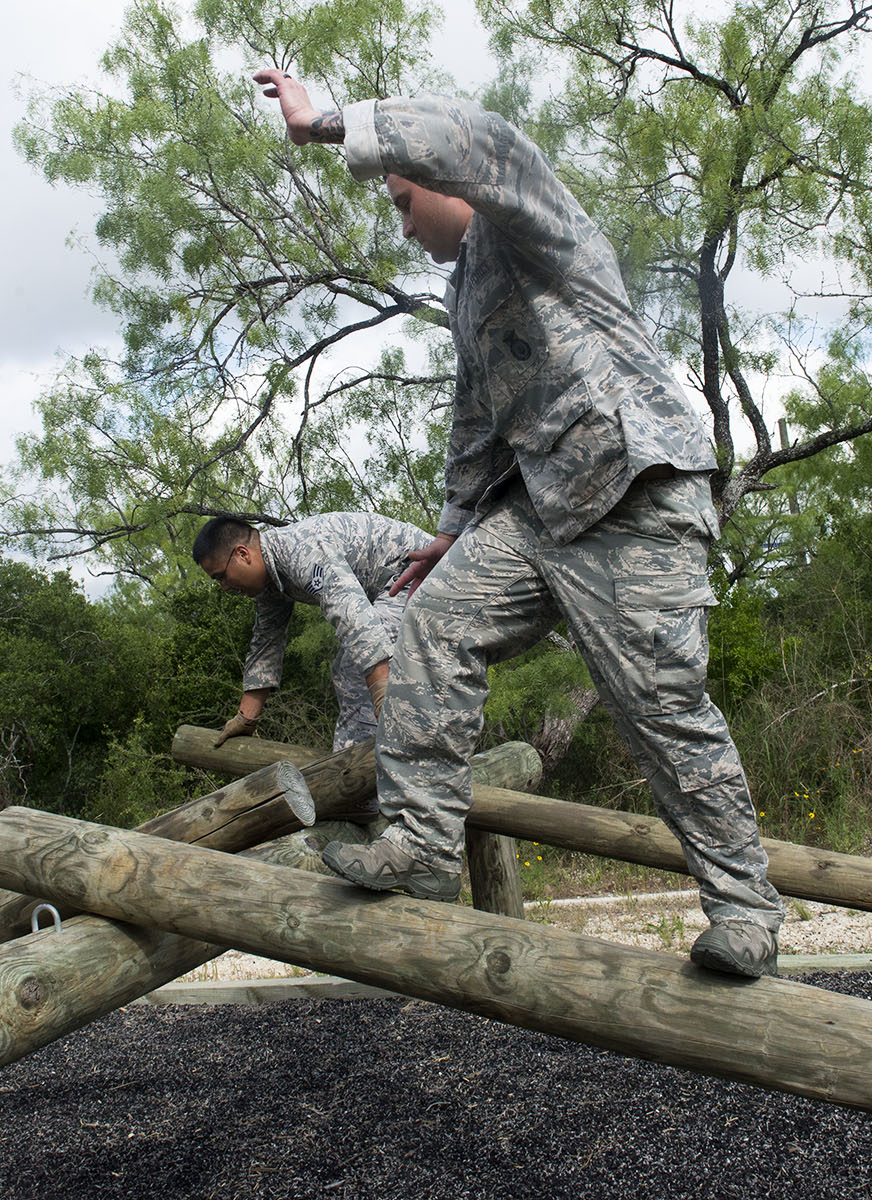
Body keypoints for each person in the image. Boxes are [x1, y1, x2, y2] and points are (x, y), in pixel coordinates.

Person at [251, 70, 783, 978]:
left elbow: (470, 133)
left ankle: (746, 912)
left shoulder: (533, 219)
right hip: (534, 510)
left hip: (632, 488)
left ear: (451, 187)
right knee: (431, 625)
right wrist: (452, 530)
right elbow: (474, 420)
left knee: (660, 708)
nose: (402, 222)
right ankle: (421, 848)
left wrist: (329, 127)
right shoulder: (465, 296)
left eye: (405, 200)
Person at [194, 511, 432, 752]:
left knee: (352, 668)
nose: (224, 587)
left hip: (423, 572)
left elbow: (351, 613)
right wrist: (246, 718)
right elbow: (266, 642)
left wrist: (382, 692)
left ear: (242, 554)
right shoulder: (271, 580)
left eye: (221, 577)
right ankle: (362, 766)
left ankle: (371, 767)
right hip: (396, 587)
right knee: (353, 665)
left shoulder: (300, 550)